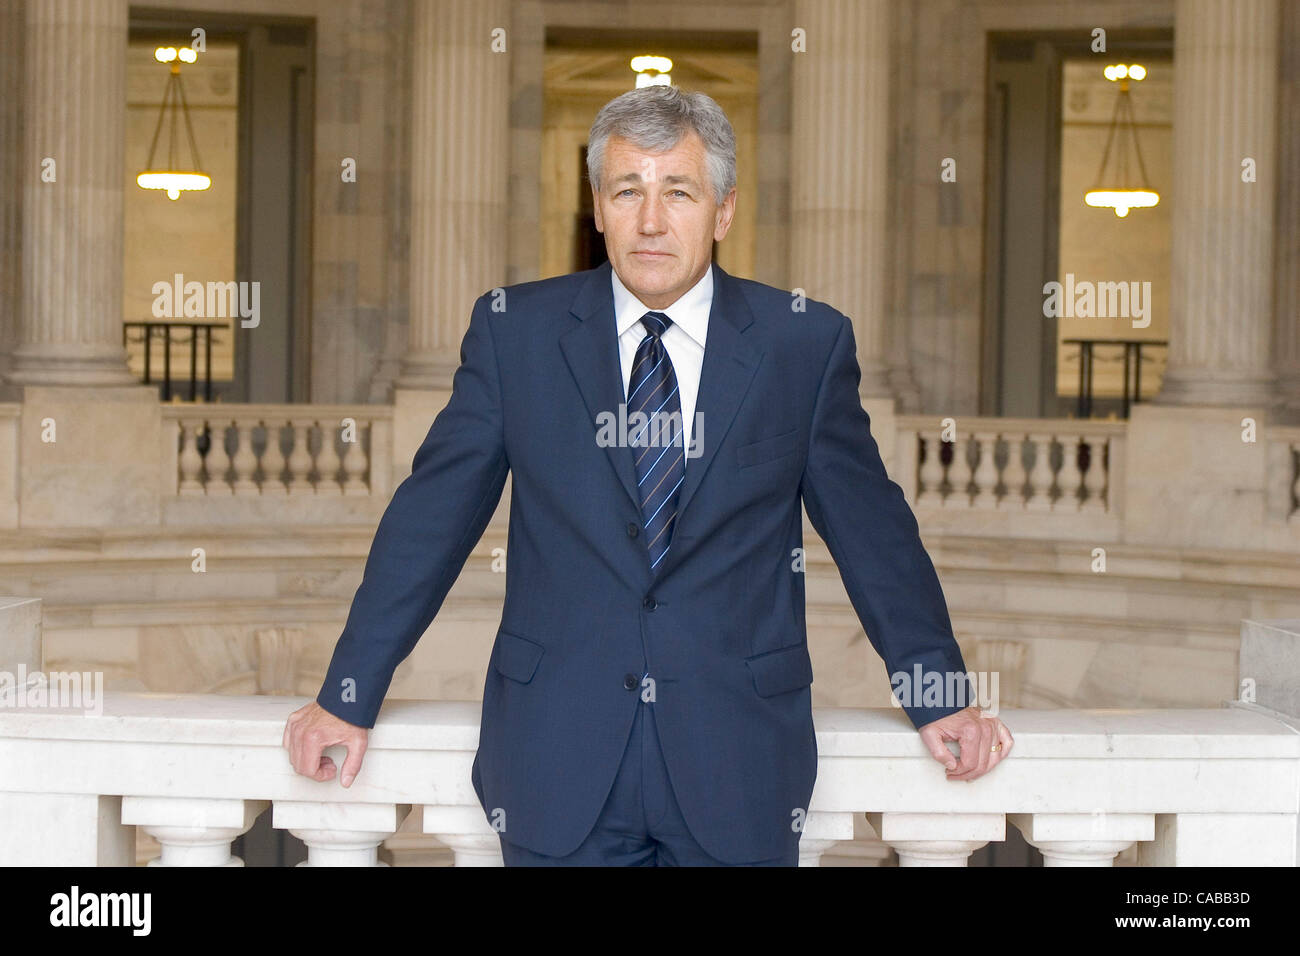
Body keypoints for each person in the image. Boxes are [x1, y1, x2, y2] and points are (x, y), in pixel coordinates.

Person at [284, 85, 1013, 866]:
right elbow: (431, 521)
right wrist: (347, 692)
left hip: (739, 766)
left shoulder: (803, 345)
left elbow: (874, 537)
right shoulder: (514, 334)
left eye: (680, 192)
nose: (653, 221)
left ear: (723, 211)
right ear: (598, 207)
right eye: (628, 191)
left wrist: (939, 692)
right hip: (555, 762)